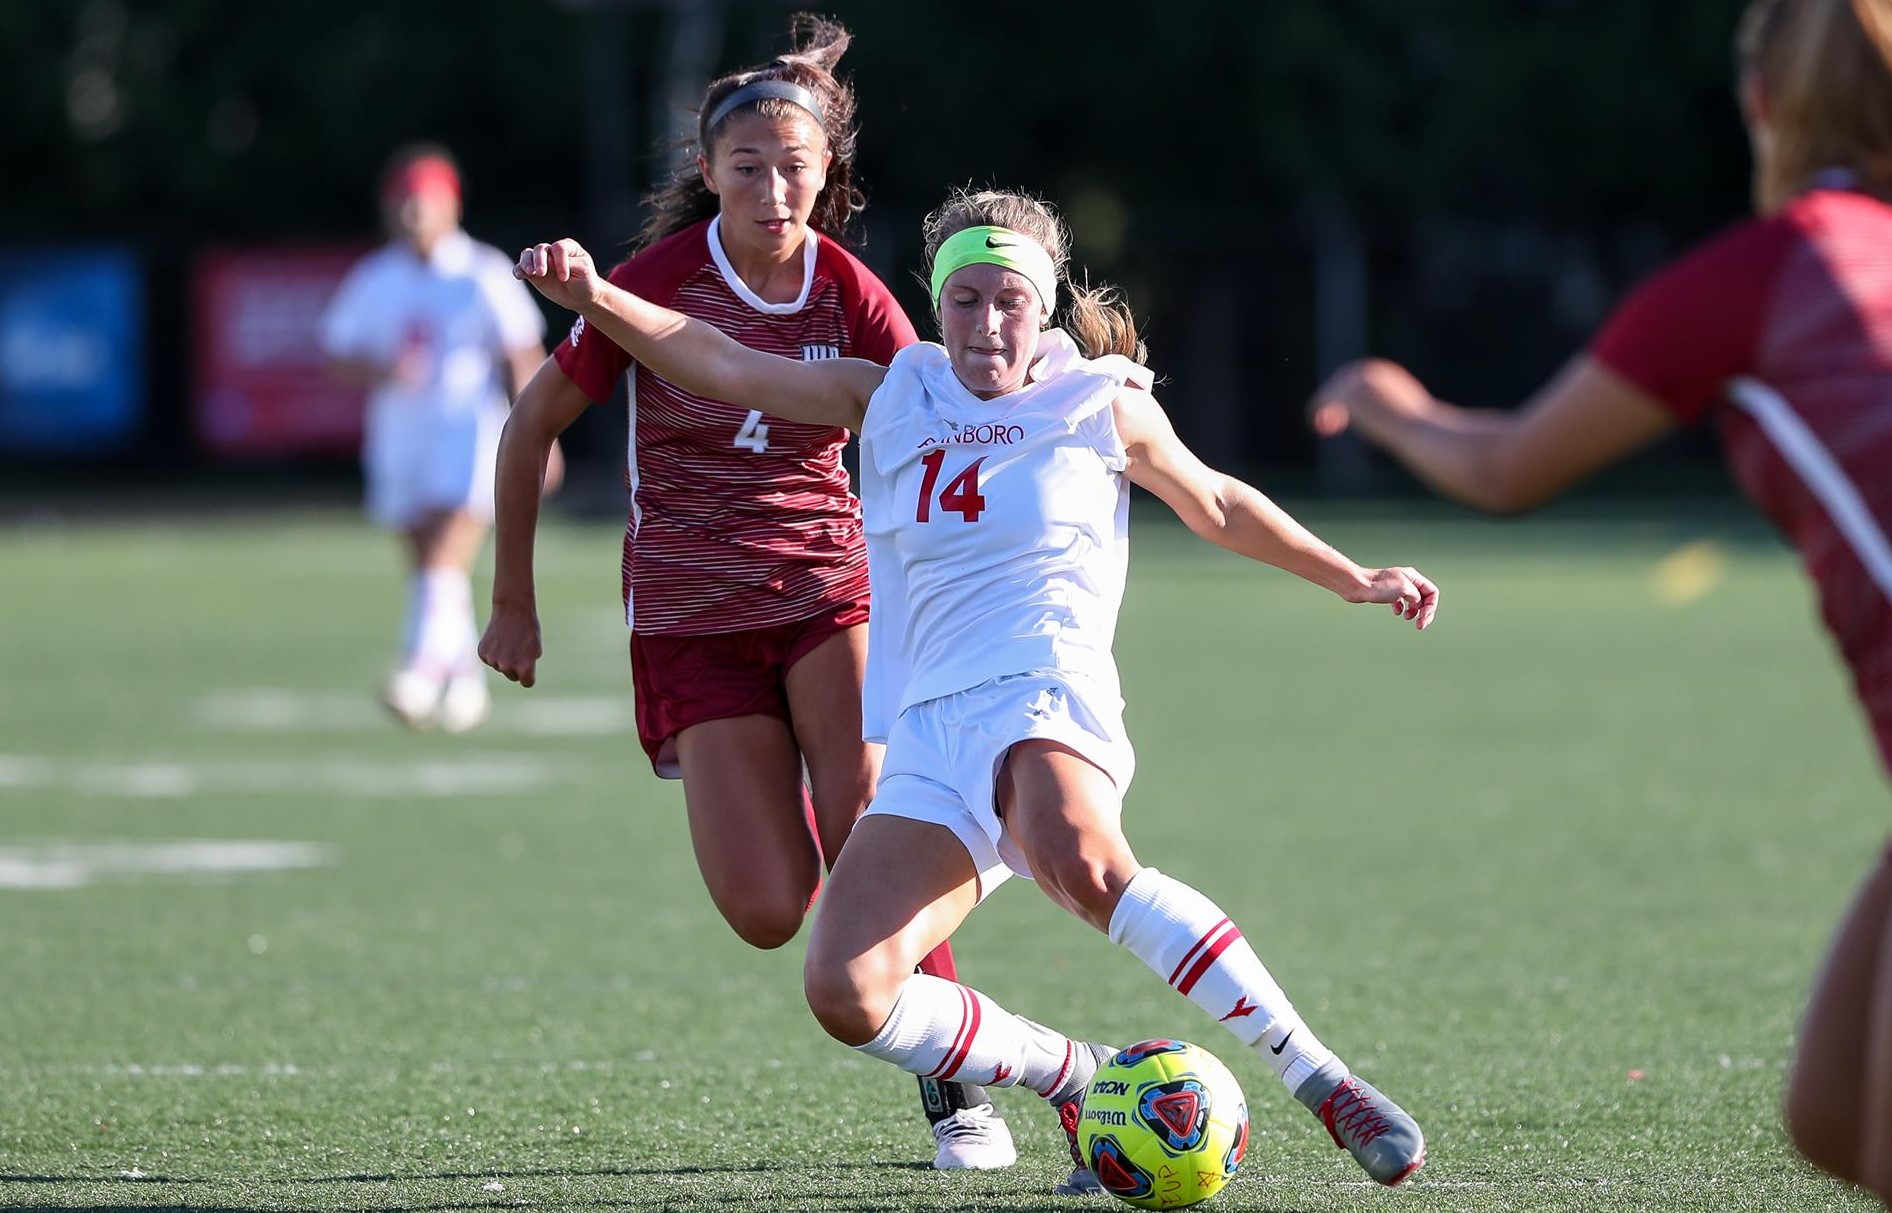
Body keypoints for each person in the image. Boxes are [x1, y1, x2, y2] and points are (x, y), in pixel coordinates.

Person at [505, 186, 1438, 1196]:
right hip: (929, 735)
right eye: (964, 300)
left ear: (1041, 309)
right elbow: (722, 360)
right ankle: (1074, 1075)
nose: (985, 323)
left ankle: (1322, 1080)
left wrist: (1352, 576)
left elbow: (1215, 503)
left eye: (1008, 301)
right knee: (845, 989)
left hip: (1045, 690)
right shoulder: (890, 390)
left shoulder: (1099, 401)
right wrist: (599, 297)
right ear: (936, 302)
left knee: (1082, 856)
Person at [1306, 0, 1892, 1201]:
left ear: (1762, 107)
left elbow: (1503, 466)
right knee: (1835, 1114)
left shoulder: (1761, 277)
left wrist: (1379, 397)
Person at [474, 17, 1013, 1171]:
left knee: (871, 826)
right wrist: (510, 599)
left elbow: (931, 433)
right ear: (708, 174)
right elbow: (528, 430)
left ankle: (962, 1082)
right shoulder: (651, 285)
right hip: (691, 620)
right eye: (748, 168)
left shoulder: (853, 290)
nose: (774, 190)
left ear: (830, 176)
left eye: (795, 168)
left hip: (828, 592)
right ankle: (901, 977)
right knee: (770, 907)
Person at [322, 144, 550, 733]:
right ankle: (467, 681)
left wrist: (540, 434)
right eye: (402, 204)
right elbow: (339, 354)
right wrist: (384, 370)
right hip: (401, 437)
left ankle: (419, 672)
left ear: (450, 206)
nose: (411, 215)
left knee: (448, 552)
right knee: (430, 564)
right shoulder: (376, 277)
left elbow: (522, 352)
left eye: (423, 203)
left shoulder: (481, 271)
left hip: (471, 432)